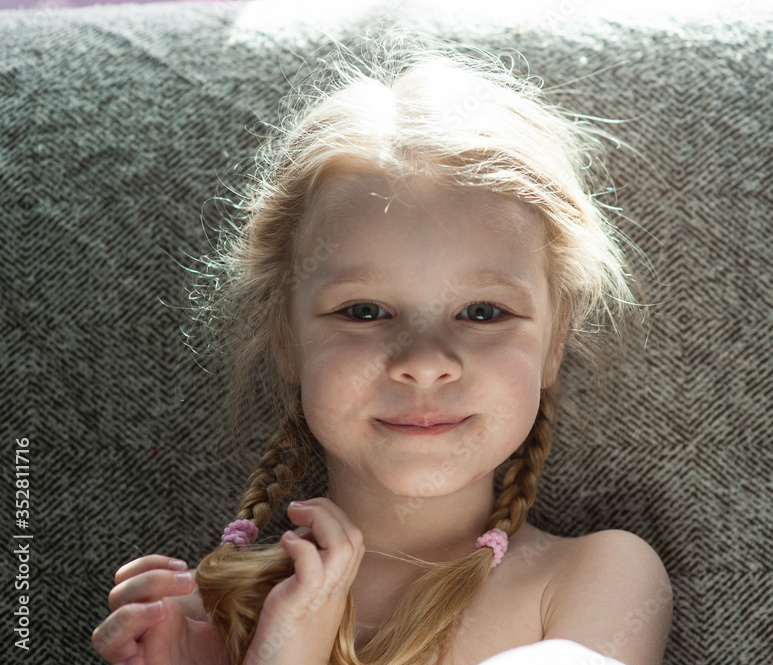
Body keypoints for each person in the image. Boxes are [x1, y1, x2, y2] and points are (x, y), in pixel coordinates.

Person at [92, 34, 672, 665]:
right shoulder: (209, 620)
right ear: (287, 340)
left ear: (553, 343)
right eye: (365, 311)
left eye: (483, 312)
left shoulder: (595, 580)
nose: (424, 361)